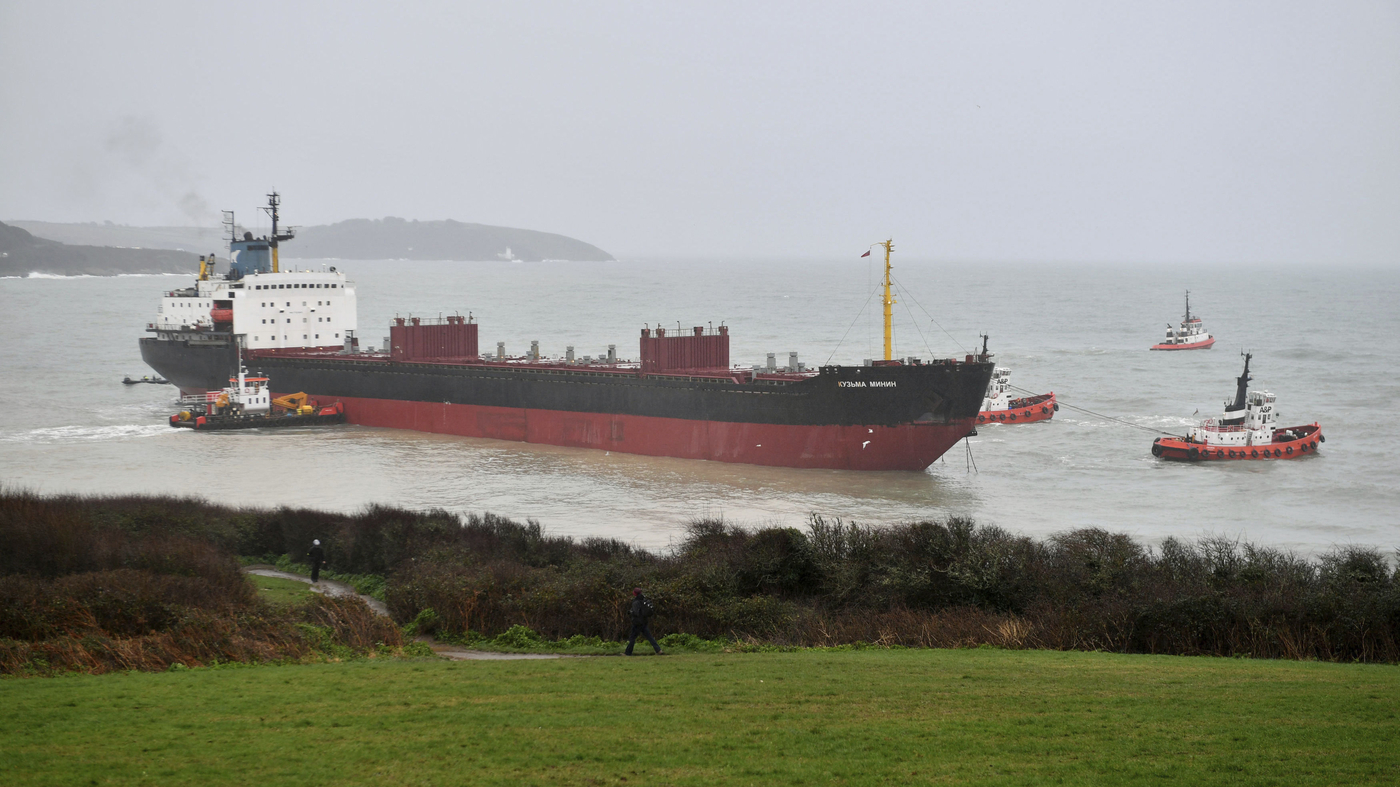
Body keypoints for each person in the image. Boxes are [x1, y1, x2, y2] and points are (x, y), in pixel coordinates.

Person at [625, 588, 663, 656]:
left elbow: (636, 613)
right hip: (644, 622)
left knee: (632, 638)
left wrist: (630, 613)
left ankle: (628, 653)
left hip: (637, 623)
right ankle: (658, 650)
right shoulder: (644, 600)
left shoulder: (636, 602)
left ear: (635, 593)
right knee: (649, 637)